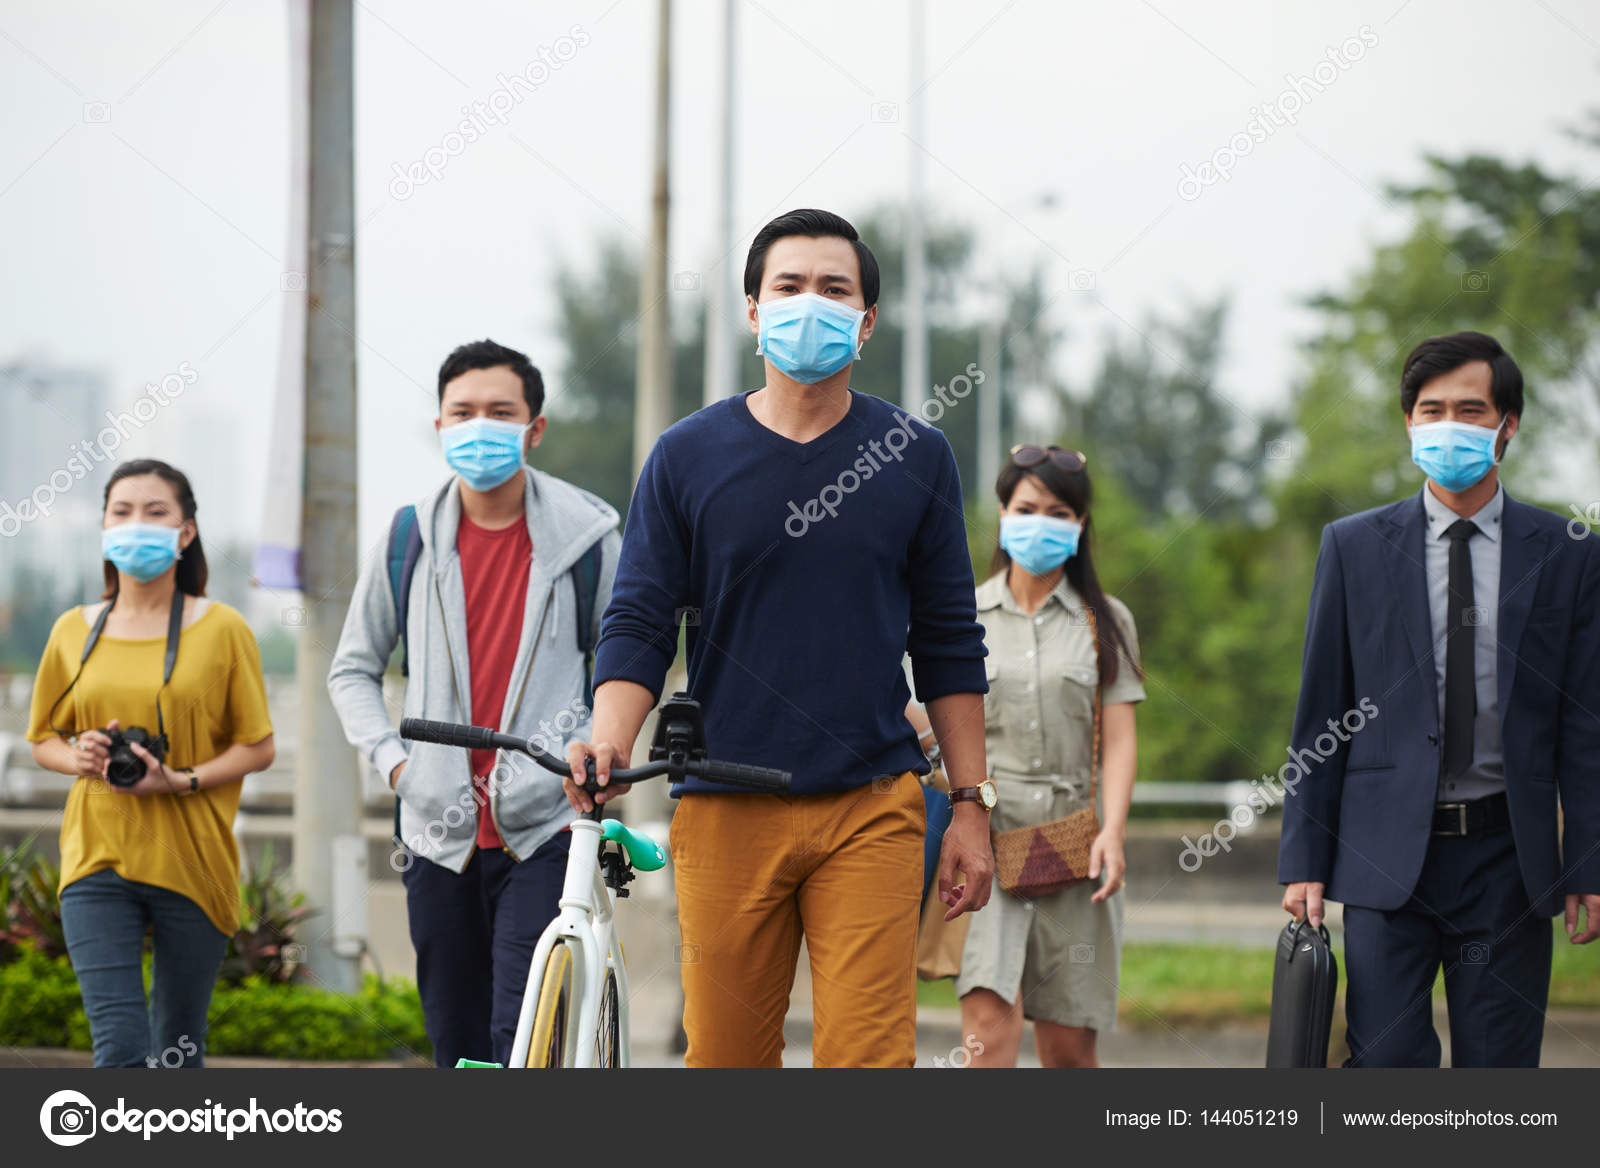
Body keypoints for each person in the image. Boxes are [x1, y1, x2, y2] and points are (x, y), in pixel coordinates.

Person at [565, 208, 994, 1068]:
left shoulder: (917, 456)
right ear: (754, 310)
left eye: (835, 289)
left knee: (870, 1064)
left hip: (870, 804)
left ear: (867, 322)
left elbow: (950, 640)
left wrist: (975, 807)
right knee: (725, 1061)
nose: (811, 303)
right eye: (789, 286)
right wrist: (609, 739)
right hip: (724, 802)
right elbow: (641, 617)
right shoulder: (687, 456)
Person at [1279, 331, 1600, 1067]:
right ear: (1408, 423)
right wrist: (1304, 856)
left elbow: (1586, 725)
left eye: (1469, 409)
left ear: (1507, 424)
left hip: (1508, 860)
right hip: (1383, 858)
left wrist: (1587, 862)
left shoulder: (1570, 553)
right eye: (1430, 410)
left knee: (1499, 1069)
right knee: (1387, 1063)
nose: (1446, 425)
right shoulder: (1352, 546)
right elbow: (1321, 715)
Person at [327, 339, 621, 1067]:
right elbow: (352, 670)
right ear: (439, 425)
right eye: (462, 412)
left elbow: (624, 658)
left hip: (546, 823)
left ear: (535, 427)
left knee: (520, 1037)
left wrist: (596, 748)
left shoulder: (590, 537)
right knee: (455, 1043)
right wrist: (400, 769)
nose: (479, 426)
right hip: (436, 832)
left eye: (500, 411)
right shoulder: (406, 539)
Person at [26, 459, 275, 1068]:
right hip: (95, 855)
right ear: (105, 527)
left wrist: (179, 779)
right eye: (122, 511)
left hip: (192, 859)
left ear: (186, 532)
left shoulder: (222, 629)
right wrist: (80, 756)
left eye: (155, 512)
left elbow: (257, 746)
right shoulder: (71, 631)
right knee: (120, 1050)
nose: (136, 524)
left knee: (176, 1049)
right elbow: (41, 739)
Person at [956, 445, 1144, 1068]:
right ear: (1003, 514)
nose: (1041, 521)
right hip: (987, 839)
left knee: (1067, 1049)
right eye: (1027, 507)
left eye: (1059, 511)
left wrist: (1113, 832)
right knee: (987, 1030)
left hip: (1073, 847)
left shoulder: (1106, 621)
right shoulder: (960, 615)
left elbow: (1118, 738)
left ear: (1081, 523)